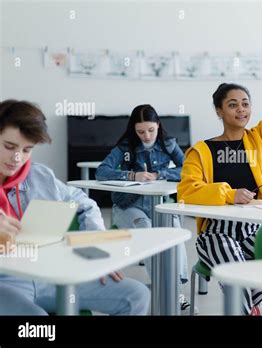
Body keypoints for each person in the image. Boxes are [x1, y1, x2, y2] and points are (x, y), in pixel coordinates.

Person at [178, 28, 262, 315]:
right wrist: (228, 194)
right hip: (217, 232)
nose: (241, 110)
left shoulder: (260, 141)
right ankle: (248, 310)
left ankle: (248, 306)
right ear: (219, 111)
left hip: (253, 227)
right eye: (232, 105)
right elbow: (187, 191)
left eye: (245, 104)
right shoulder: (201, 150)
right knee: (235, 267)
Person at [0, 99, 150, 315]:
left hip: (50, 273)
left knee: (136, 294)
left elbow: (84, 203)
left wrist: (96, 248)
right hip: (6, 282)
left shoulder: (40, 176)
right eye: (9, 147)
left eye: (27, 150)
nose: (17, 158)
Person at [95, 104, 190, 310]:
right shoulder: (125, 147)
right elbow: (101, 172)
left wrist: (161, 175)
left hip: (160, 206)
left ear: (158, 125)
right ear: (134, 130)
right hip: (129, 206)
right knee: (147, 231)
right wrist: (131, 175)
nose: (146, 136)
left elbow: (189, 171)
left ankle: (175, 288)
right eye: (140, 132)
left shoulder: (169, 144)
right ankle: (169, 291)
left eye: (150, 130)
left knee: (175, 233)